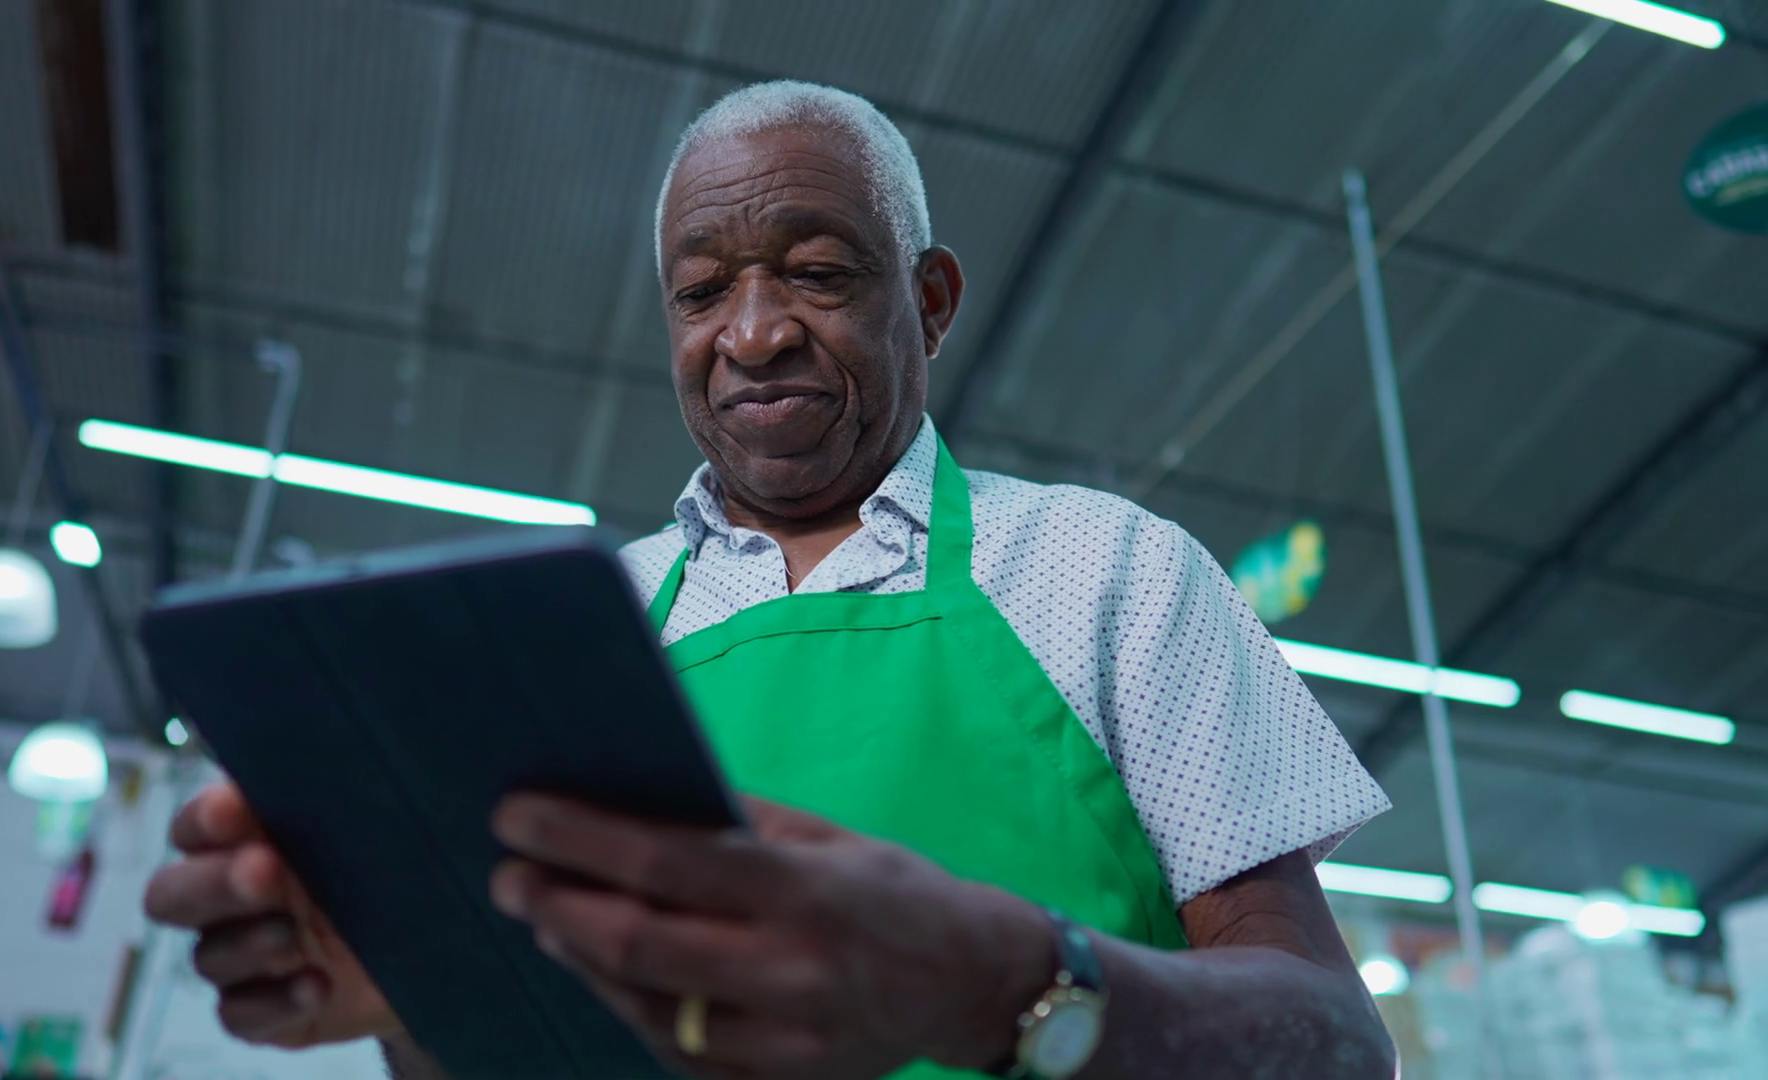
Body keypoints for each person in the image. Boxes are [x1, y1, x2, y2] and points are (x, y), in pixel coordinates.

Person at [144, 81, 1398, 1080]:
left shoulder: (1103, 570)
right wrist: (423, 996)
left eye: (816, 271)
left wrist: (998, 983)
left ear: (932, 299)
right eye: (701, 293)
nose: (751, 333)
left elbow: (1334, 1047)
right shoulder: (595, 625)